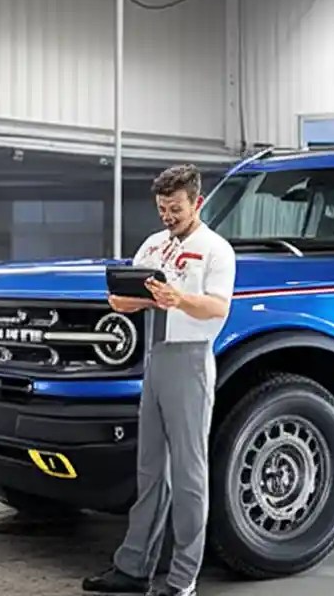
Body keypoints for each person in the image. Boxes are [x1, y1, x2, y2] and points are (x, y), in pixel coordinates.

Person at [83, 164, 236, 596]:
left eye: (175, 208)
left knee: (189, 475)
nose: (167, 215)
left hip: (190, 362)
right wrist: (124, 301)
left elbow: (218, 309)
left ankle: (183, 579)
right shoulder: (153, 246)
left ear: (197, 203)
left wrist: (179, 298)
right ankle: (133, 568)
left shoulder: (216, 250)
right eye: (162, 208)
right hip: (155, 359)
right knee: (149, 470)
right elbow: (132, 299)